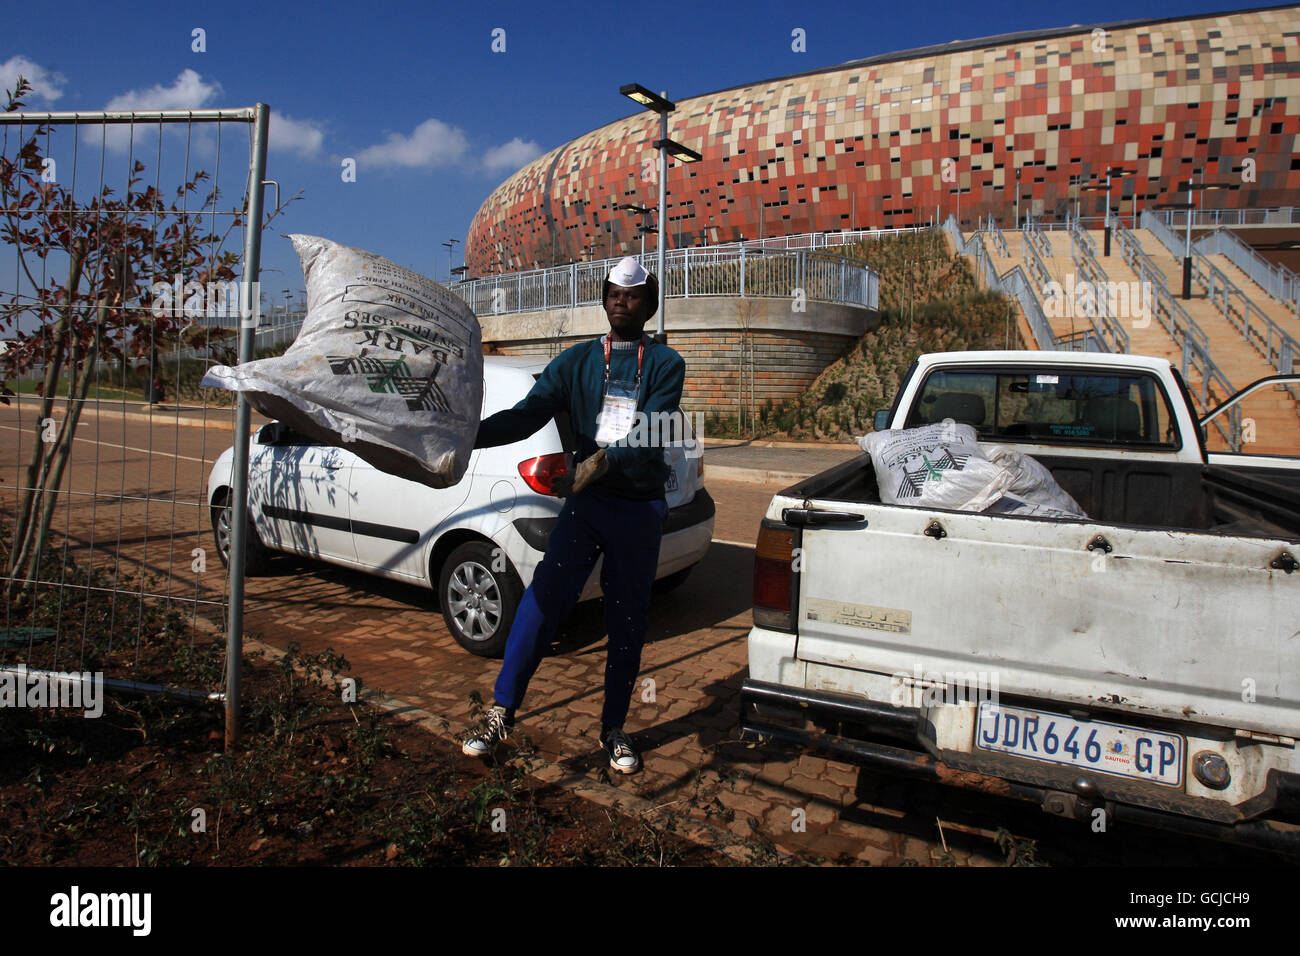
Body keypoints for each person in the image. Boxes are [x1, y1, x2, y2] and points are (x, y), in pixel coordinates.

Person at [462, 256, 685, 774]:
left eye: (631, 295)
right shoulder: (577, 361)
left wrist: (596, 465)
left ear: (647, 305)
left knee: (627, 620)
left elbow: (651, 430)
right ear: (604, 299)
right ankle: (501, 712)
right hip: (588, 508)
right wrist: (469, 436)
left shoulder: (666, 364)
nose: (620, 301)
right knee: (542, 602)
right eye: (612, 292)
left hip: (637, 509)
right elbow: (527, 415)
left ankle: (613, 727)